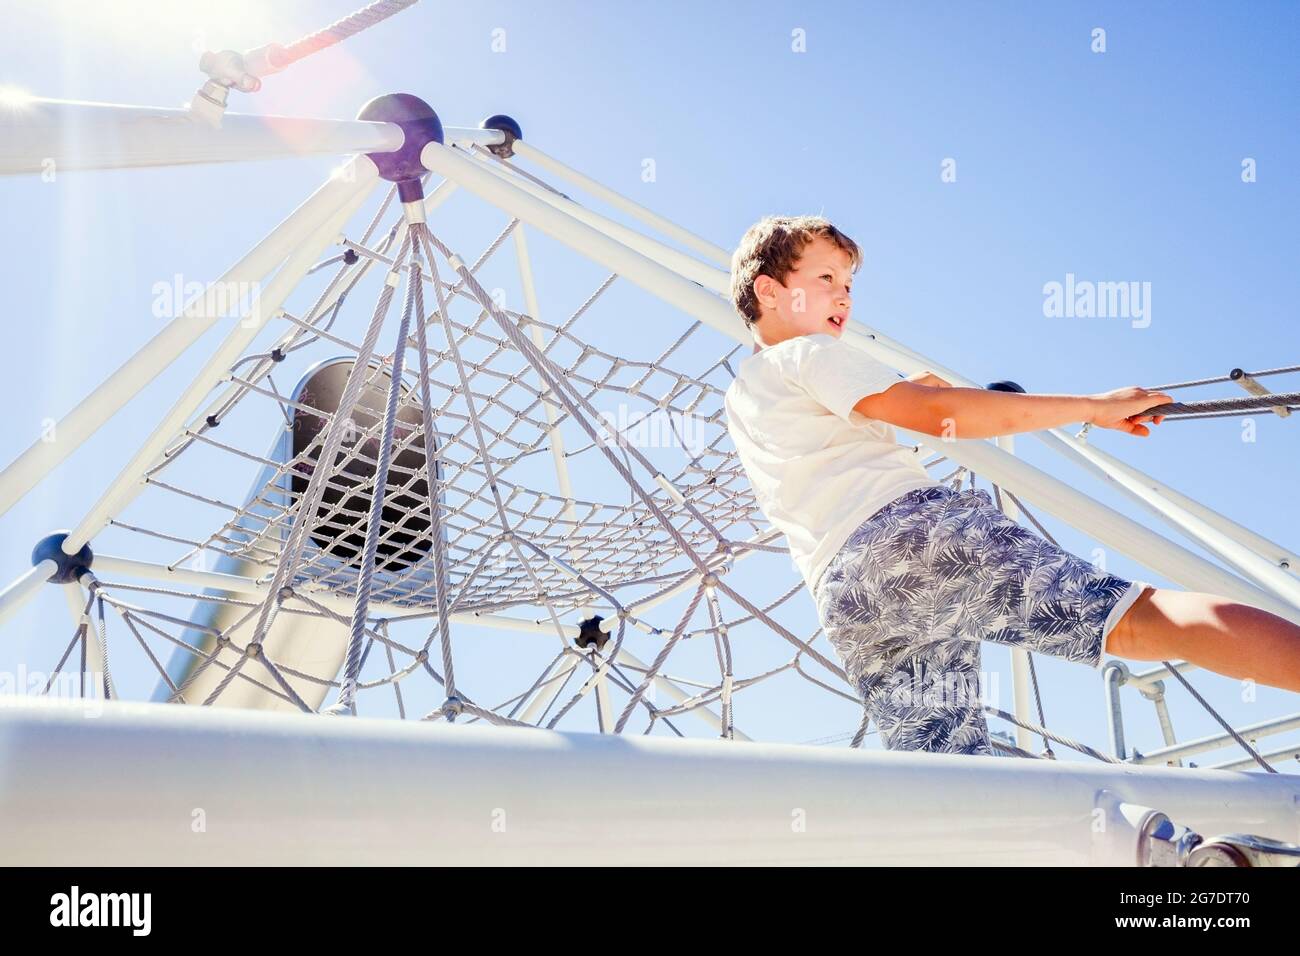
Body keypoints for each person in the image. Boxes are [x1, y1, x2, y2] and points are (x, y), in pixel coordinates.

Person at [723, 214, 1300, 755]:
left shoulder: (743, 395)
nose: (844, 295)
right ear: (770, 291)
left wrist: (905, 395)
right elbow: (938, 414)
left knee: (952, 778)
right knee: (1135, 621)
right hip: (914, 537)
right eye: (826, 277)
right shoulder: (810, 352)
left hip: (850, 598)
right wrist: (1093, 407)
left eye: (849, 283)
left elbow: (835, 448)